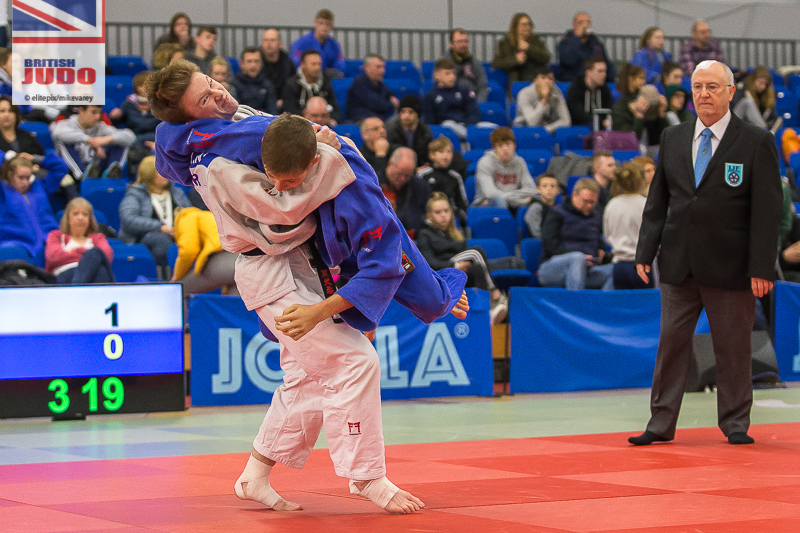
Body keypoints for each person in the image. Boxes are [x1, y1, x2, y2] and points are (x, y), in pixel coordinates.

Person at [147, 66, 467, 509]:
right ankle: (366, 476)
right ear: (189, 117)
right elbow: (288, 208)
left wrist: (435, 288)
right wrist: (328, 146)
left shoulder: (201, 134)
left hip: (293, 264)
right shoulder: (231, 150)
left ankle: (254, 475)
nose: (217, 94)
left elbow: (188, 138)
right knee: (355, 362)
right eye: (204, 98)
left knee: (307, 379)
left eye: (212, 83)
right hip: (268, 269)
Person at [629, 60, 782, 447]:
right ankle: (660, 423)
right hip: (679, 262)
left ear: (731, 92)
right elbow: (658, 200)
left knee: (733, 347)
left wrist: (762, 266)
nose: (703, 94)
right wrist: (645, 251)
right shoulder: (674, 137)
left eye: (713, 87)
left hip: (731, 266)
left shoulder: (755, 140)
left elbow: (767, 212)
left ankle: (734, 423)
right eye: (697, 87)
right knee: (671, 345)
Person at [417, 192, 508, 324]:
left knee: (477, 268)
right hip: (441, 275)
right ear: (430, 215)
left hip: (459, 275)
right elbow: (429, 263)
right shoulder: (425, 234)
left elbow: (466, 258)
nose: (443, 215)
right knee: (477, 252)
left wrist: (460, 267)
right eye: (438, 212)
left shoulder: (456, 234)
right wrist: (455, 265)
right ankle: (494, 295)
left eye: (446, 211)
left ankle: (485, 311)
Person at [118, 155, 191, 277]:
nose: (166, 173)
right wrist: (160, 227)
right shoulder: (136, 194)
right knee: (160, 240)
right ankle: (165, 279)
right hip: (145, 237)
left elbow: (190, 214)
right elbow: (129, 219)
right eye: (161, 171)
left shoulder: (176, 192)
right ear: (149, 173)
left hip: (178, 234)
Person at [538, 177, 614, 290]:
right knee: (578, 258)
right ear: (574, 195)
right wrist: (582, 258)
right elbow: (549, 244)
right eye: (586, 201)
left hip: (587, 269)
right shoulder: (556, 213)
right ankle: (576, 304)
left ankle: (602, 305)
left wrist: (601, 249)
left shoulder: (595, 215)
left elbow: (596, 237)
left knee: (618, 270)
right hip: (554, 268)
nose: (589, 206)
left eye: (593, 202)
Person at [0, 153, 68, 258]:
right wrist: (6, 157)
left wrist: (36, 158)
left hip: (49, 240)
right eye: (21, 178)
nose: (25, 182)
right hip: (19, 244)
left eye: (28, 177)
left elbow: (61, 168)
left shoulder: (39, 187)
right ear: (10, 175)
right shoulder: (3, 192)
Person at [50, 105, 135, 180]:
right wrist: (89, 140)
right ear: (81, 111)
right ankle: (83, 176)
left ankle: (110, 175)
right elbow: (57, 133)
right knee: (64, 141)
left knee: (121, 141)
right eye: (93, 112)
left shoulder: (101, 126)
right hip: (74, 174)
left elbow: (131, 136)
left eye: (99, 113)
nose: (97, 117)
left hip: (98, 170)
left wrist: (107, 139)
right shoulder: (67, 124)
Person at [171, 205, 237, 296]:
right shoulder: (208, 215)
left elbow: (188, 250)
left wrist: (177, 276)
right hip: (246, 259)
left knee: (178, 290)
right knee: (234, 302)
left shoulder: (185, 216)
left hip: (224, 259)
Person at [422, 58, 495, 141]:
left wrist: (468, 125)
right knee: (448, 124)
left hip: (466, 126)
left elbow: (474, 113)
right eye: (447, 74)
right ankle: (472, 136)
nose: (452, 77)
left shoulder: (464, 91)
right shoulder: (430, 96)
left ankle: (471, 134)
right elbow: (430, 123)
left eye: (453, 73)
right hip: (447, 131)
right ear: (437, 75)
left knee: (492, 127)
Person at [45, 197, 114, 284]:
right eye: (75, 214)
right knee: (96, 257)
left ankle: (76, 289)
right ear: (68, 218)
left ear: (90, 219)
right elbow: (54, 257)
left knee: (99, 263)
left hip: (95, 275)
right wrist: (88, 256)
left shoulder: (98, 238)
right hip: (65, 275)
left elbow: (107, 256)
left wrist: (75, 252)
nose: (80, 217)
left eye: (85, 214)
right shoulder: (56, 236)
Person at [603, 162, 649, 289]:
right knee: (645, 306)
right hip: (642, 266)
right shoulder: (646, 204)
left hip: (619, 267)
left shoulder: (612, 204)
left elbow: (607, 236)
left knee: (622, 307)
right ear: (641, 181)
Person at [472, 126, 536, 212]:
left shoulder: (520, 162)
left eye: (508, 144)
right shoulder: (485, 162)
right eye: (500, 145)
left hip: (513, 204)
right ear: (495, 149)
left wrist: (512, 197)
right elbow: (491, 194)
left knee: (537, 201)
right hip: (486, 206)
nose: (505, 149)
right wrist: (520, 200)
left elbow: (531, 189)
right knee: (500, 201)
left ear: (514, 146)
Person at [491, 13, 551, 94]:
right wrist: (515, 60)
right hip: (516, 81)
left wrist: (529, 48)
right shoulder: (505, 43)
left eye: (529, 24)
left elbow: (546, 57)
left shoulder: (537, 41)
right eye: (524, 25)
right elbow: (497, 63)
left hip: (535, 80)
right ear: (516, 27)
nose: (528, 27)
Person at [378, 147, 431, 236]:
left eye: (407, 175)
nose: (402, 179)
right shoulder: (374, 184)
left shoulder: (420, 186)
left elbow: (427, 215)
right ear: (390, 163)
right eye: (399, 173)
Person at [418, 135, 469, 227]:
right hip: (428, 217)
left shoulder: (455, 176)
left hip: (450, 217)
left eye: (449, 152)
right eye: (441, 152)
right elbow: (417, 202)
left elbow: (462, 204)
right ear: (431, 155)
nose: (446, 155)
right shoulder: (423, 175)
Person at [282, 50, 341, 124]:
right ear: (302, 64)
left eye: (319, 64)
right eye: (313, 64)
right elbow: (289, 111)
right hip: (299, 126)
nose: (317, 68)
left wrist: (333, 119)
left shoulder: (326, 81)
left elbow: (335, 108)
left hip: (324, 125)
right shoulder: (291, 84)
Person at [109, 71, 161, 154]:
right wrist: (115, 117)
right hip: (134, 139)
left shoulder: (160, 103)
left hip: (155, 138)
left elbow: (165, 126)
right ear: (138, 87)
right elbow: (118, 124)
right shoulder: (129, 103)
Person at [556, 12, 616, 83]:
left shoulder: (595, 42)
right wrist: (577, 37)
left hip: (595, 81)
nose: (585, 25)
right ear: (574, 25)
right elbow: (568, 60)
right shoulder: (566, 41)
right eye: (581, 23)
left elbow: (605, 61)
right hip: (573, 81)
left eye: (588, 22)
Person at [513, 64, 571, 132]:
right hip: (525, 130)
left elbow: (566, 121)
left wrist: (546, 129)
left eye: (550, 78)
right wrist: (544, 99)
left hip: (546, 130)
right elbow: (532, 123)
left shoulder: (556, 92)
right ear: (535, 81)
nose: (547, 82)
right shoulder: (524, 94)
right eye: (543, 78)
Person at [289, 9, 345, 77]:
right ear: (314, 23)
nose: (324, 27)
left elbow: (339, 64)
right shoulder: (300, 43)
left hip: (326, 80)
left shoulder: (334, 45)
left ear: (331, 26)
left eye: (327, 24)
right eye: (321, 23)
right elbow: (295, 63)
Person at [345, 54, 399, 123]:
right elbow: (376, 104)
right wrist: (392, 105)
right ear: (366, 67)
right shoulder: (359, 82)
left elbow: (390, 95)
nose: (382, 71)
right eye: (378, 67)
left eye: (383, 67)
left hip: (378, 119)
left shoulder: (380, 84)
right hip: (361, 120)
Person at [385, 95, 433, 167]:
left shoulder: (425, 131)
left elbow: (427, 155)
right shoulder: (390, 129)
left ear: (417, 114)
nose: (406, 115)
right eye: (403, 112)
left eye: (411, 112)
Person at [565, 57, 613, 127]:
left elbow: (608, 111)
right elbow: (578, 114)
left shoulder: (605, 90)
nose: (604, 74)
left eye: (605, 71)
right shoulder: (575, 89)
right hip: (579, 127)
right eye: (600, 71)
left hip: (600, 127)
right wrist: (601, 122)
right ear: (588, 72)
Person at [445, 28, 489, 102]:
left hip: (473, 102)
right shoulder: (444, 63)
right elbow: (441, 87)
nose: (463, 44)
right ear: (451, 44)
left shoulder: (474, 61)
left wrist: (478, 104)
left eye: (465, 41)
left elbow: (483, 86)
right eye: (459, 42)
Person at [232, 48, 278, 115]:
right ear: (241, 64)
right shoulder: (234, 85)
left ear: (261, 64)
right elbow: (235, 112)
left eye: (256, 61)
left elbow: (273, 111)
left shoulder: (268, 85)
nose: (253, 65)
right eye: (249, 61)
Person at [259, 28, 295, 107]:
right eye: (265, 40)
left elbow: (293, 84)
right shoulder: (256, 61)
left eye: (272, 40)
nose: (269, 43)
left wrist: (284, 99)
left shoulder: (288, 63)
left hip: (284, 104)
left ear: (280, 44)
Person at [524, 173, 559, 238]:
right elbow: (537, 233)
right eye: (544, 186)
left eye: (552, 186)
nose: (549, 189)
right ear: (538, 189)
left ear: (558, 190)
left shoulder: (560, 209)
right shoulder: (535, 208)